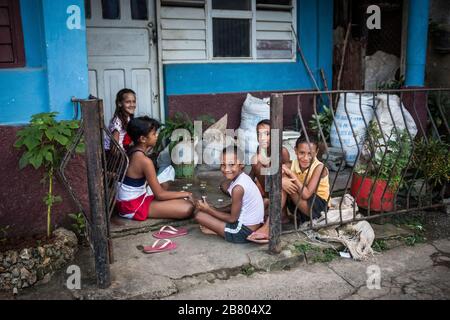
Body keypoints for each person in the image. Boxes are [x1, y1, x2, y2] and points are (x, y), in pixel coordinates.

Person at [247, 134, 330, 243]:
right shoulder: (290, 164)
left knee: (287, 180)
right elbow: (272, 176)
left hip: (317, 207)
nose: (305, 158)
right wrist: (281, 179)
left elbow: (307, 194)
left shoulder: (319, 167)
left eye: (310, 154)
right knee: (283, 180)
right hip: (298, 206)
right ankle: (280, 216)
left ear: (316, 152)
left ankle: (268, 227)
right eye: (302, 153)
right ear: (295, 151)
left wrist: (291, 175)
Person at [116, 116, 194, 221]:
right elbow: (160, 195)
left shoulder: (132, 150)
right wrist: (186, 193)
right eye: (153, 134)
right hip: (132, 206)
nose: (157, 136)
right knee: (188, 208)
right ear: (143, 139)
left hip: (127, 200)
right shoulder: (144, 161)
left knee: (164, 185)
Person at [194, 146, 265, 243]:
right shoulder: (243, 178)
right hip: (252, 225)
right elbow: (236, 206)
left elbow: (232, 219)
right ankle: (219, 229)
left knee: (200, 216)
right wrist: (214, 209)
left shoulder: (238, 188)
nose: (227, 169)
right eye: (223, 165)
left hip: (242, 232)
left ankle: (218, 231)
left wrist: (208, 209)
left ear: (241, 164)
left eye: (231, 164)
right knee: (209, 213)